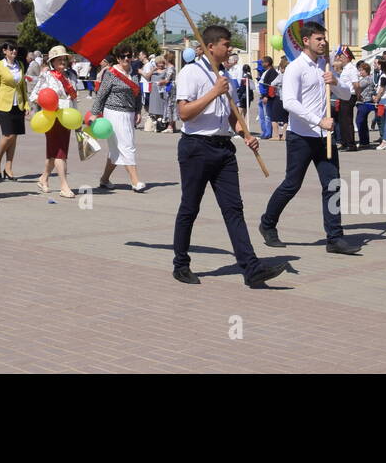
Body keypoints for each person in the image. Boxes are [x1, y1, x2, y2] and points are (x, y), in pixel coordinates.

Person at [172, 25, 286, 287]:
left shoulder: (224, 75)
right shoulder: (191, 72)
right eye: (226, 44)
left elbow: (232, 114)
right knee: (190, 207)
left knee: (234, 209)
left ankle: (251, 268)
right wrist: (213, 92)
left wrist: (245, 133)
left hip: (223, 149)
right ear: (211, 46)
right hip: (196, 148)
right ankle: (181, 264)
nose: (230, 49)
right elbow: (185, 113)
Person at [258, 21, 358, 255]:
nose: (323, 43)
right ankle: (267, 223)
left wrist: (335, 81)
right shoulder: (296, 67)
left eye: (324, 39)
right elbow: (289, 102)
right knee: (292, 185)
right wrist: (318, 120)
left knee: (332, 185)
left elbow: (346, 94)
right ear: (306, 41)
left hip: (324, 138)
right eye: (318, 39)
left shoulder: (324, 66)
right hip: (301, 136)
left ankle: (334, 238)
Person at [90, 49, 145, 192]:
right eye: (123, 56)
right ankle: (135, 181)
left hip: (129, 112)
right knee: (127, 145)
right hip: (113, 112)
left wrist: (138, 110)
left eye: (129, 56)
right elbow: (101, 94)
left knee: (116, 150)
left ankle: (104, 179)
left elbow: (137, 93)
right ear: (118, 58)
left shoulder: (133, 73)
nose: (126, 58)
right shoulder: (111, 73)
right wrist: (95, 113)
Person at [31, 46, 78, 198]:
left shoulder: (71, 76)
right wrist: (47, 103)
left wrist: (77, 119)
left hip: (67, 118)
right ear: (52, 62)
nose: (62, 62)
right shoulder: (47, 76)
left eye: (64, 59)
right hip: (52, 119)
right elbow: (34, 95)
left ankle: (43, 178)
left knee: (54, 154)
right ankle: (64, 186)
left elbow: (74, 99)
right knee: (59, 153)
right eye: (59, 59)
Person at [0, 42, 26, 181]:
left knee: (14, 137)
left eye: (15, 49)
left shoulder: (19, 65)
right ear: (4, 51)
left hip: (18, 104)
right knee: (8, 135)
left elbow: (23, 86)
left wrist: (26, 104)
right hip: (3, 105)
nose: (14, 51)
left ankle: (8, 167)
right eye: (11, 49)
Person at [334, 48, 358, 151]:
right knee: (342, 120)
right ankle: (344, 142)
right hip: (343, 96)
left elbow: (356, 84)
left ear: (347, 57)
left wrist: (358, 95)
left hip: (349, 96)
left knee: (347, 121)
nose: (340, 59)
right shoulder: (345, 69)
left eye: (342, 57)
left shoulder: (351, 69)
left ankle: (351, 144)